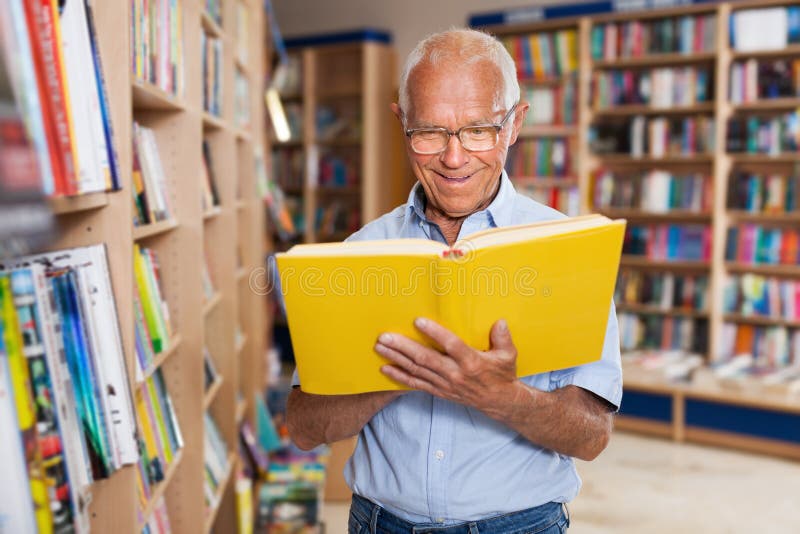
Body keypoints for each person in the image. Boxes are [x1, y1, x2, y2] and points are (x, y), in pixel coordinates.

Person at [286, 28, 622, 534]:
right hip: (380, 523)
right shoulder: (359, 253)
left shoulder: (569, 247)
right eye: (430, 132)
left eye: (478, 130)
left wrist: (499, 395)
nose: (454, 158)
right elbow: (304, 427)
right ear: (401, 122)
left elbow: (592, 437)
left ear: (515, 124)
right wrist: (401, 373)